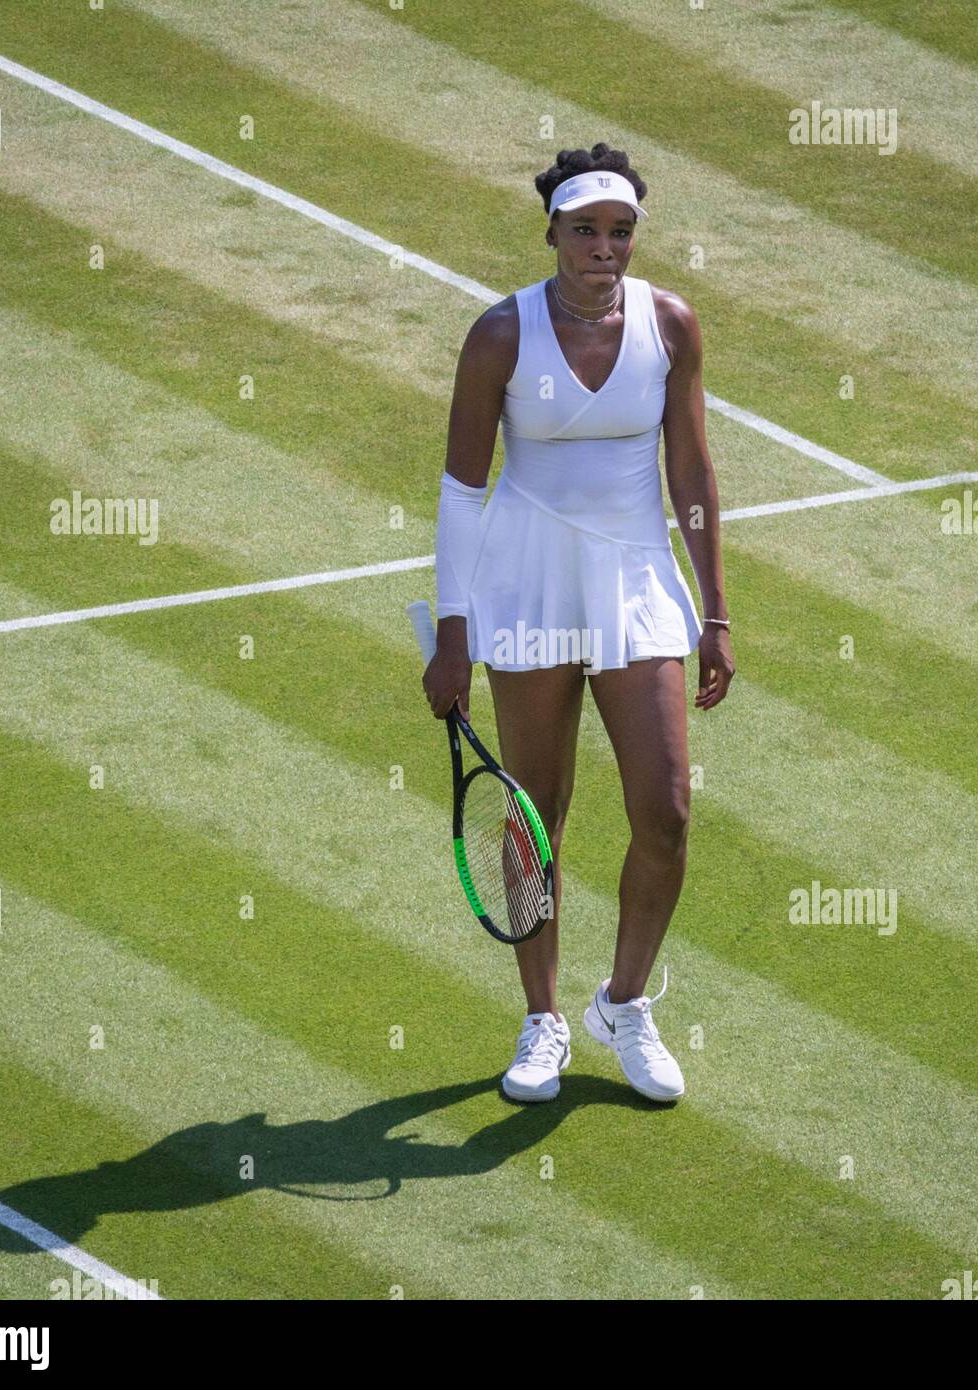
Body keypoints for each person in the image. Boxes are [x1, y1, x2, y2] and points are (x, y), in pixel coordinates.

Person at [422, 143, 734, 1105]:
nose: (606, 247)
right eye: (587, 230)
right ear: (553, 233)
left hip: (637, 587)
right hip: (528, 586)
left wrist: (715, 610)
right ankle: (543, 1020)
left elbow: (691, 473)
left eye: (622, 231)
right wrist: (451, 630)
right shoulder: (500, 336)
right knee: (533, 818)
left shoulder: (671, 325)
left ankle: (623, 1004)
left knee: (667, 812)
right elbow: (461, 492)